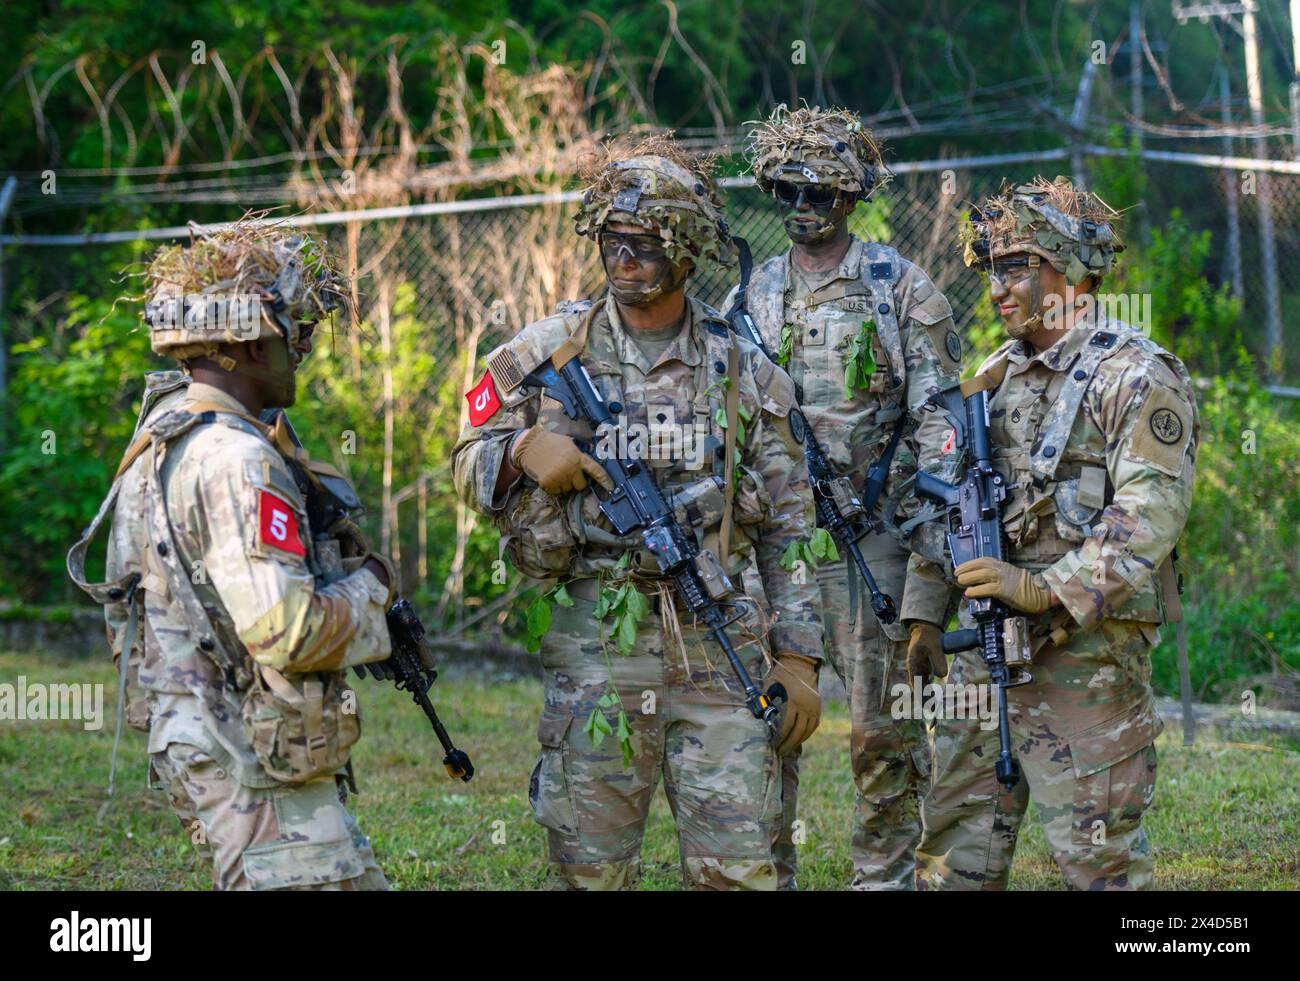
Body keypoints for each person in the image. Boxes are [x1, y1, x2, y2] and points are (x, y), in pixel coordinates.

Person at [452, 135, 824, 890]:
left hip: (720, 636)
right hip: (598, 635)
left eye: (645, 247)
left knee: (741, 866)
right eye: (611, 243)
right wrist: (521, 447)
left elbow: (790, 524)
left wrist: (800, 657)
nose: (623, 261)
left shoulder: (743, 366)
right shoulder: (549, 348)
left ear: (687, 254)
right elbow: (464, 455)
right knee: (589, 866)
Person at [68, 221, 394, 890]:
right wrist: (373, 588)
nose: (302, 349)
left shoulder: (160, 435)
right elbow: (288, 629)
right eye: (294, 332)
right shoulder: (240, 460)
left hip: (203, 736)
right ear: (249, 343)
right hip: (241, 748)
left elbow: (125, 618)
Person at [909, 177, 1199, 890]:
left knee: (1099, 862)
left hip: (1086, 662)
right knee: (950, 856)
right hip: (983, 655)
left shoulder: (1135, 373)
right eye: (993, 268)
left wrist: (1044, 588)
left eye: (1018, 266)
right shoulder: (988, 380)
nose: (999, 288)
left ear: (1068, 268)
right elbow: (950, 502)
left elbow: (1150, 510)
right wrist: (923, 611)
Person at [727, 105, 963, 890]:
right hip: (778, 550)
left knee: (882, 733)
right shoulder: (752, 296)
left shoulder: (901, 290)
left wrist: (930, 586)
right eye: (787, 192)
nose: (801, 209)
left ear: (851, 197)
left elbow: (944, 436)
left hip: (876, 542)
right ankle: (764, 874)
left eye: (819, 193)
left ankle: (886, 878)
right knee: (768, 721)